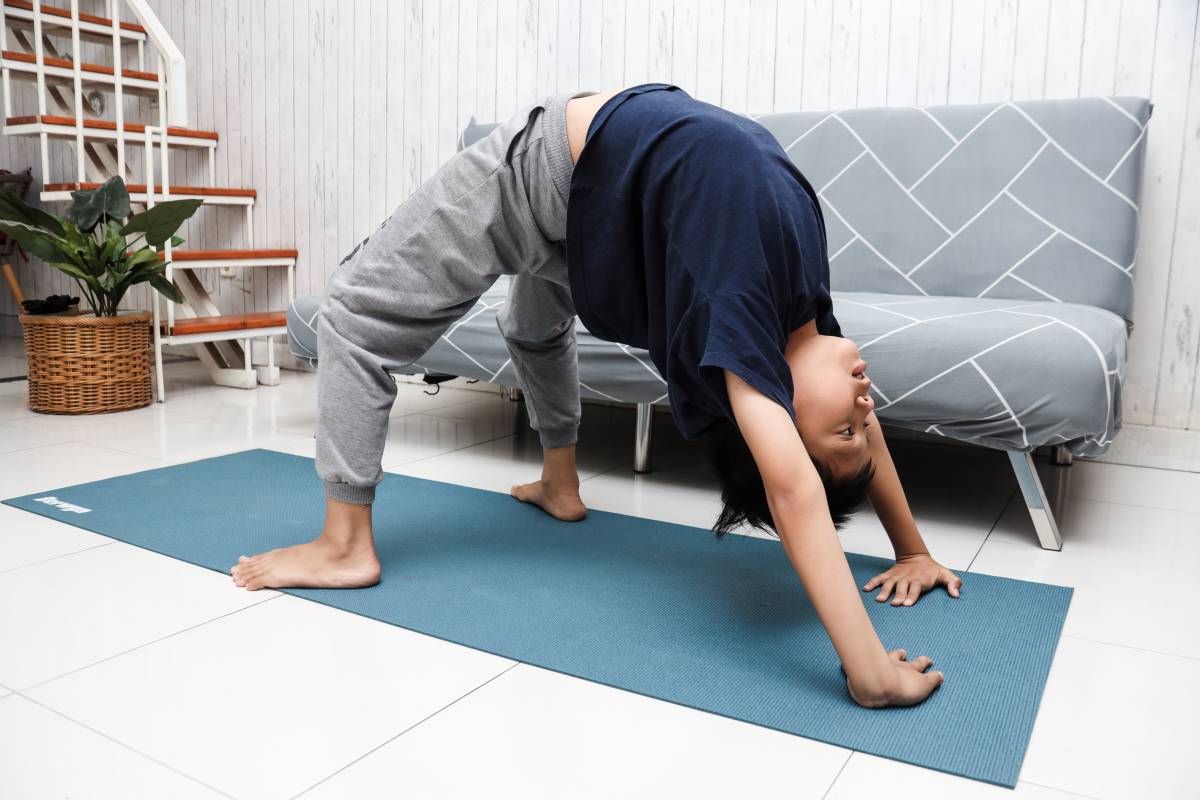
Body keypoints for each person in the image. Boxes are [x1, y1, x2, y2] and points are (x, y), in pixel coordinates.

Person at [232, 83, 963, 708]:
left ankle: (344, 545)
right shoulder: (801, 321)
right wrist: (913, 548)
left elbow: (794, 486)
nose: (867, 408)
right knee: (533, 319)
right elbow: (847, 446)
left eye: (844, 431)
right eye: (865, 424)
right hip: (598, 218)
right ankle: (559, 480)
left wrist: (872, 674)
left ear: (769, 409)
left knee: (354, 309)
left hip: (546, 178)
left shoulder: (741, 309)